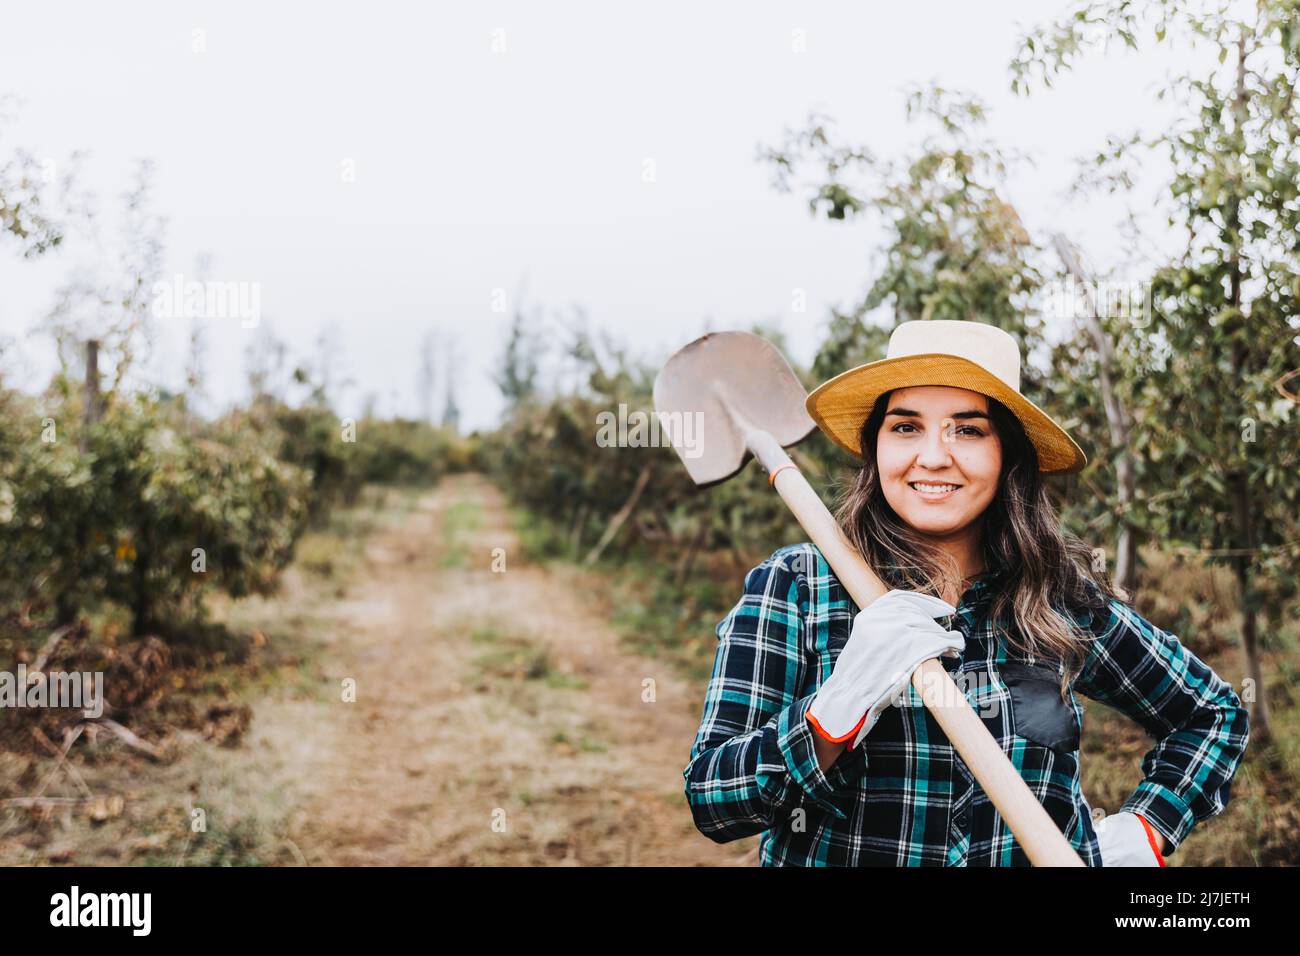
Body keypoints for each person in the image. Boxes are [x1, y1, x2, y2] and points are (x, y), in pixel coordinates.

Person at [682, 319, 1250, 866]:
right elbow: (713, 799)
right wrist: (831, 716)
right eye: (906, 426)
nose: (932, 456)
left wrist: (1146, 828)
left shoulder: (1057, 598)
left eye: (968, 429)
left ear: (1008, 455)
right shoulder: (799, 587)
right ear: (875, 446)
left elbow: (1212, 714)